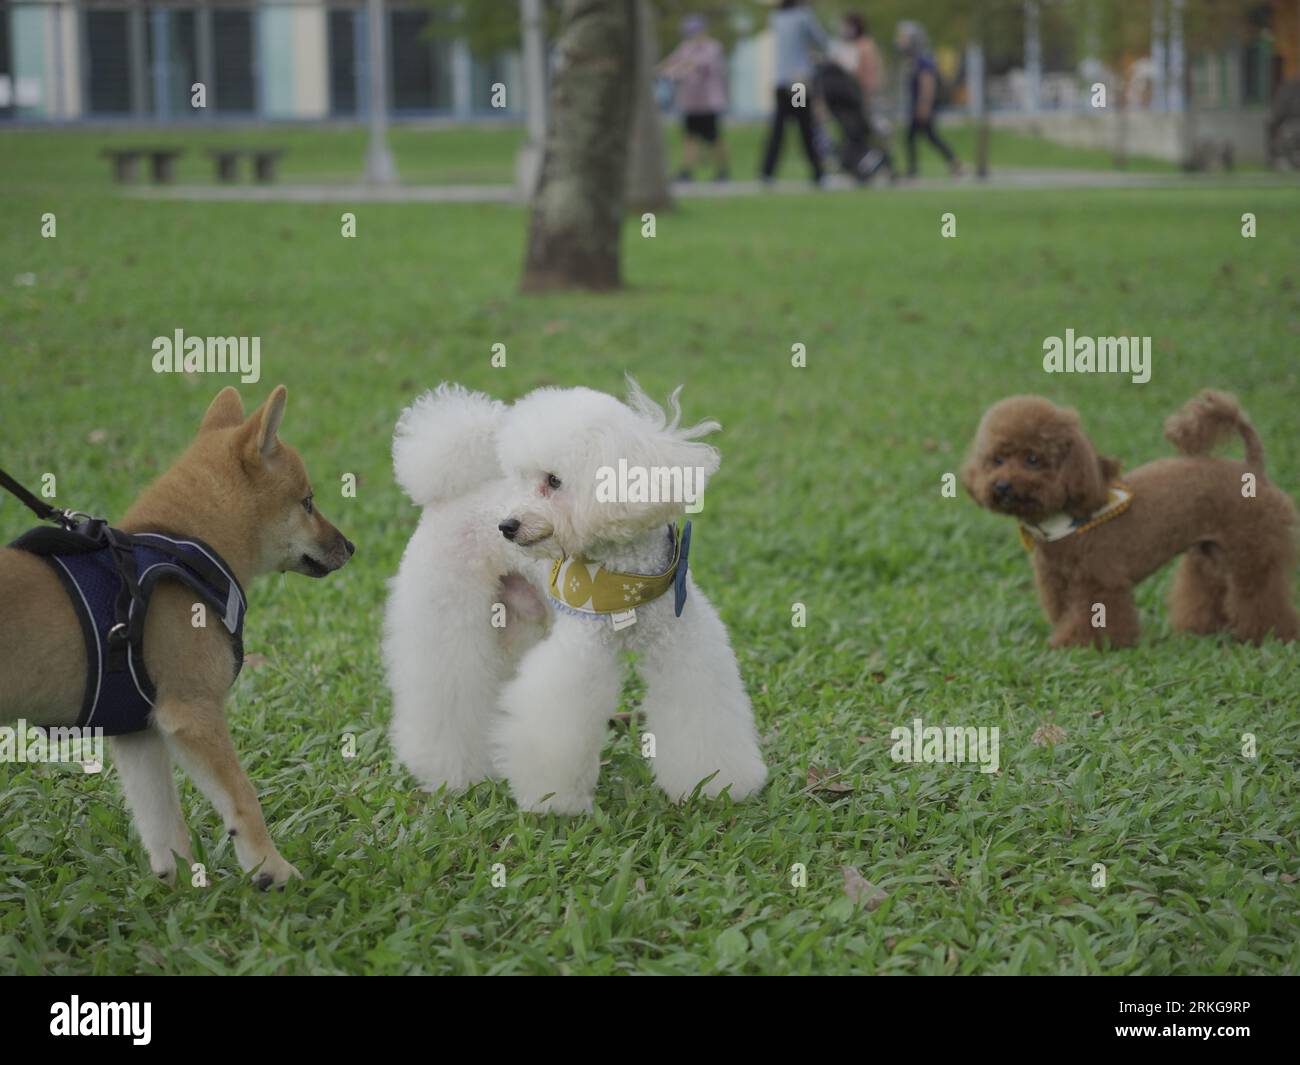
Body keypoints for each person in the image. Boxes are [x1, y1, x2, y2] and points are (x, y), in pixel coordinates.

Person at [760, 0, 830, 186]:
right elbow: (821, 41)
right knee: (805, 127)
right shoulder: (803, 16)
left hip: (781, 81)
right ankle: (818, 172)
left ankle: (767, 171)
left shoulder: (776, 18)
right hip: (798, 83)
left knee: (778, 129)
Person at [659, 14, 729, 182]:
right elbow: (671, 62)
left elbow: (695, 64)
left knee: (714, 138)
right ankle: (686, 171)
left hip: (708, 103)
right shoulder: (685, 47)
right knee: (690, 137)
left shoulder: (713, 48)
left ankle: (722, 171)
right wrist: (660, 69)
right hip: (690, 103)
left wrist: (676, 68)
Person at [896, 20, 961, 178]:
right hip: (918, 106)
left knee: (920, 137)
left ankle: (916, 169)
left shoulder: (923, 61)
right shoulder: (913, 61)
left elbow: (927, 86)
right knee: (923, 137)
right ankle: (952, 162)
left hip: (923, 106)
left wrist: (923, 107)